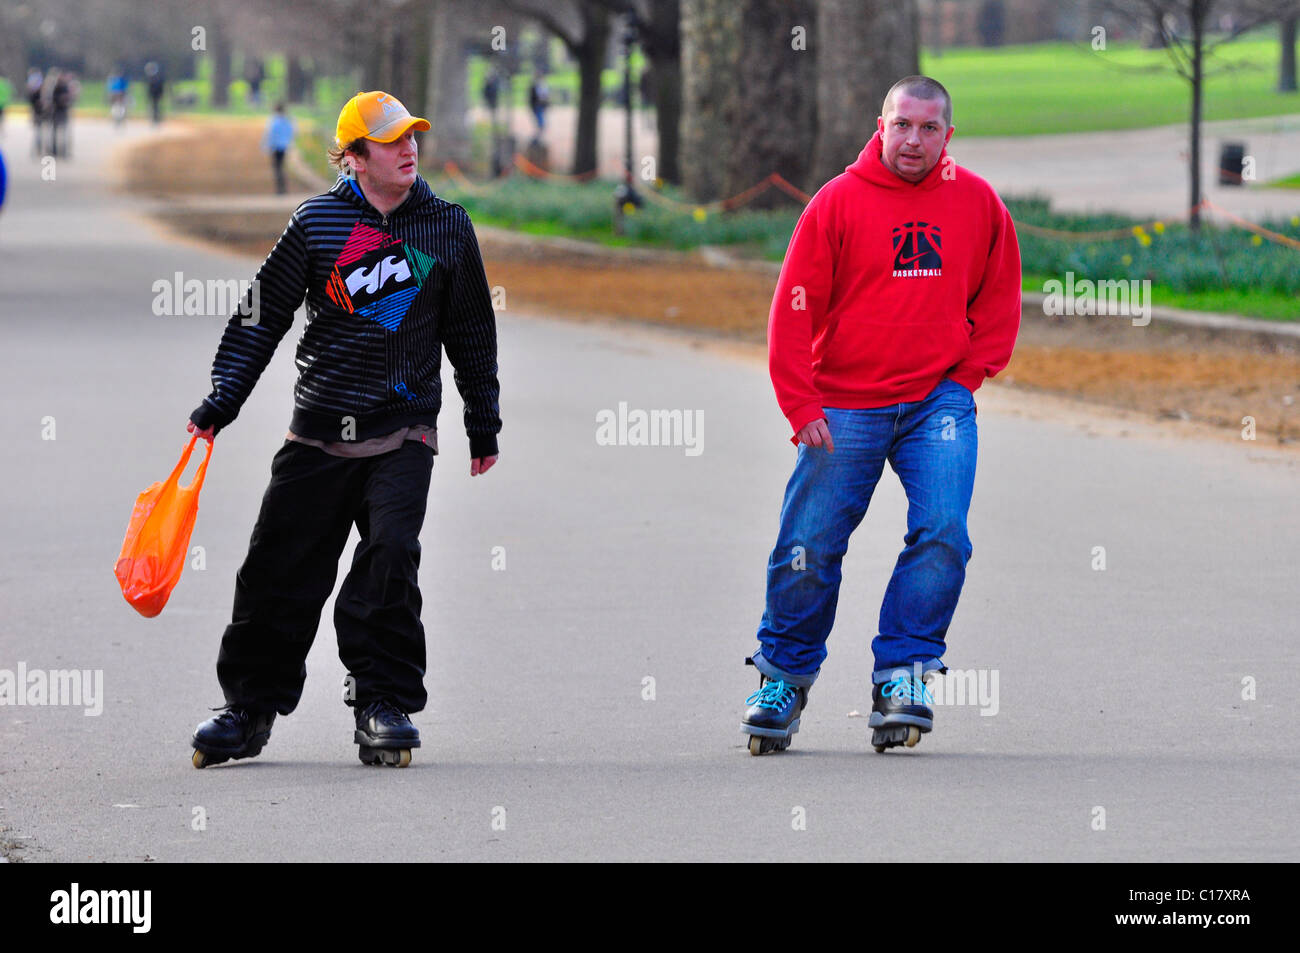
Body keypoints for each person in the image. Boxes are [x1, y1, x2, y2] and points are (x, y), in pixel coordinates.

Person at [186, 90, 502, 769]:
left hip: (404, 427)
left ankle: (382, 700)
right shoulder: (318, 222)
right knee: (279, 566)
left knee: (392, 551)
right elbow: (261, 317)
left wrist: (484, 420)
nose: (409, 148)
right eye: (391, 141)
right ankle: (248, 707)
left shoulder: (447, 226)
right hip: (320, 428)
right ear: (355, 156)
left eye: (412, 135)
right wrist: (223, 397)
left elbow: (471, 329)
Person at [741, 75, 1021, 756]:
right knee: (809, 542)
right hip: (844, 401)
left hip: (937, 401)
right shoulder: (837, 203)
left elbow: (1000, 294)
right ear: (881, 125)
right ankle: (782, 678)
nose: (914, 140)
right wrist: (801, 402)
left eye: (929, 128)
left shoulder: (979, 202)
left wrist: (966, 375)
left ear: (947, 135)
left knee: (944, 531)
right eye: (902, 125)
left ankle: (904, 674)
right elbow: (794, 307)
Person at [262, 101, 294, 194]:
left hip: (276, 147)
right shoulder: (287, 120)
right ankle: (283, 188)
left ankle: (280, 188)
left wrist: (266, 146)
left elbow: (270, 134)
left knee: (277, 168)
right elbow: (291, 133)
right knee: (281, 167)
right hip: (284, 147)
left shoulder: (273, 121)